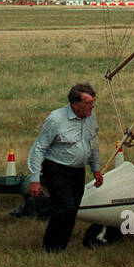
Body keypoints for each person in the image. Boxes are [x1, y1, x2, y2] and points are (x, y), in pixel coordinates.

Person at [27, 83, 103, 253]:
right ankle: (50, 249)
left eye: (93, 102)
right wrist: (34, 179)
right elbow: (38, 148)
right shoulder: (56, 120)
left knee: (72, 210)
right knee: (65, 208)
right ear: (74, 104)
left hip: (78, 171)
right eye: (88, 103)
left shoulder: (91, 117)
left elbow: (93, 144)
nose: (92, 106)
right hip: (57, 170)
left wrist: (96, 169)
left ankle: (60, 247)